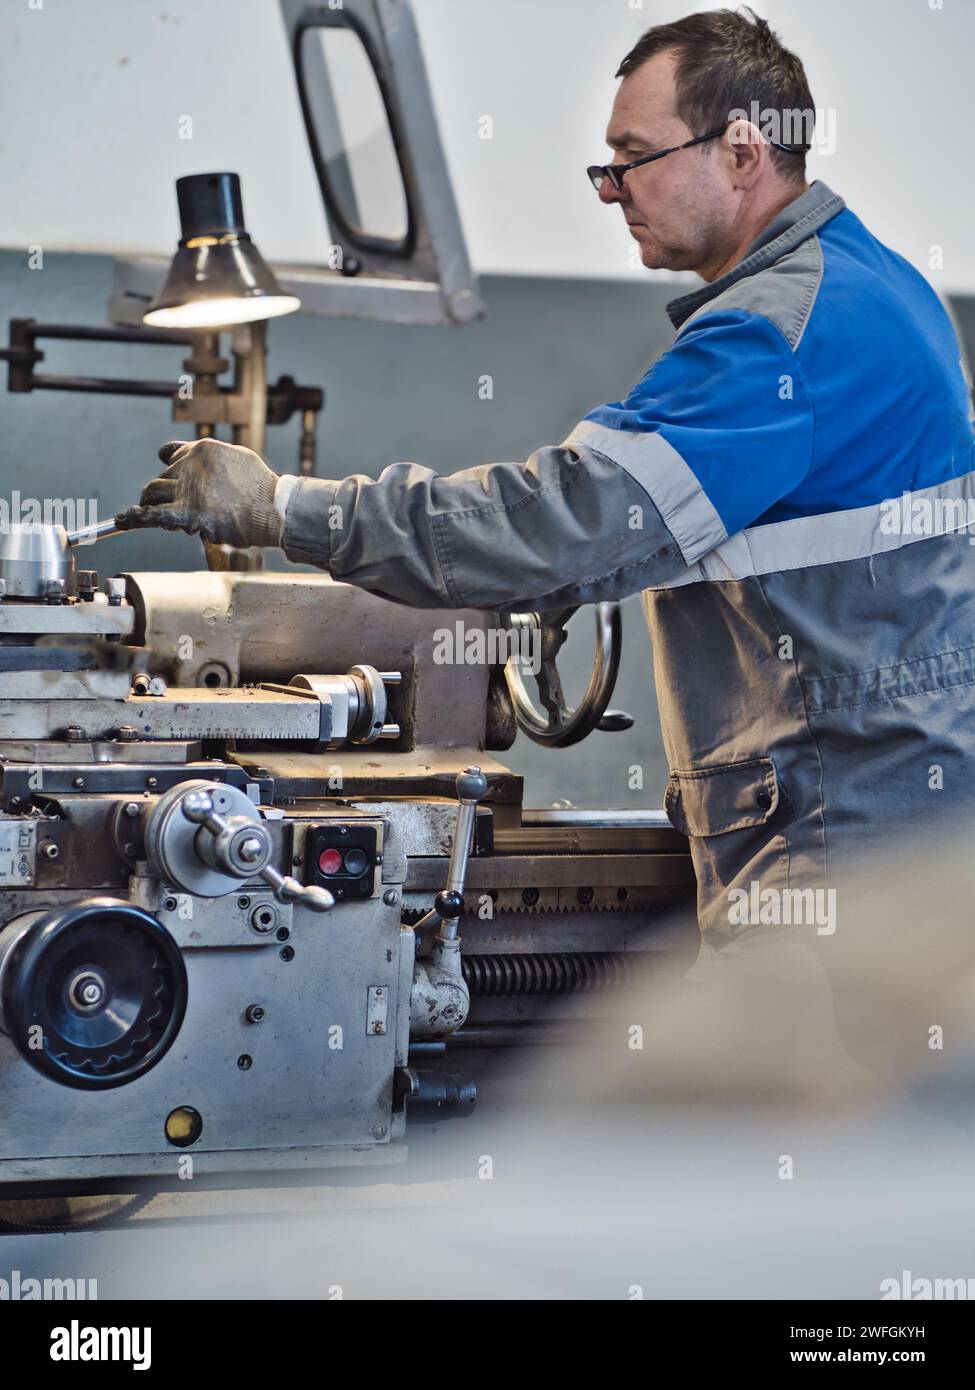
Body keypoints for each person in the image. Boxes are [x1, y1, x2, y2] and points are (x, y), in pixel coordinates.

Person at [117, 8, 975, 964]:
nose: (610, 190)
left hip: (842, 851)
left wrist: (282, 508)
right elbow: (661, 531)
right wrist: (547, 590)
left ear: (741, 150)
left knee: (812, 1114)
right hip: (888, 818)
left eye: (632, 157)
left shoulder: (780, 332)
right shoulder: (880, 285)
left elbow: (565, 518)